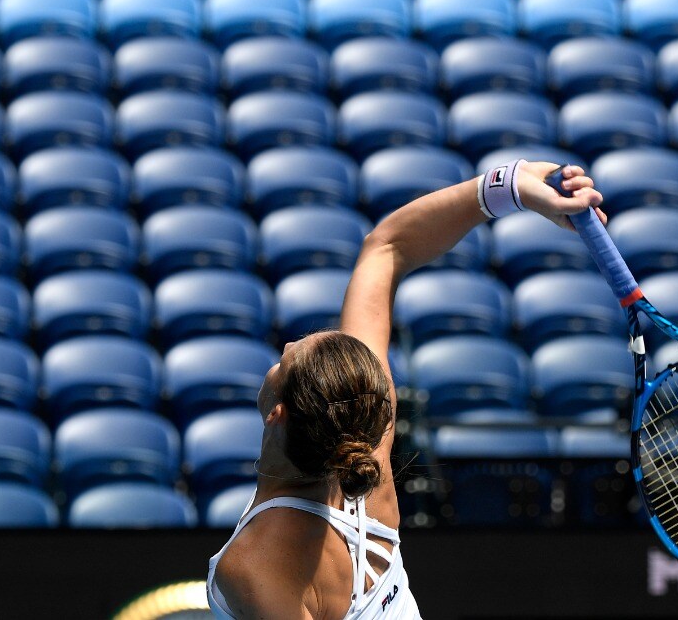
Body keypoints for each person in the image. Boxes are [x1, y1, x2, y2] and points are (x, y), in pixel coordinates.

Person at [207, 160, 606, 619]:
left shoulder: (256, 565)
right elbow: (387, 247)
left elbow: (389, 244)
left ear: (277, 415)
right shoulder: (367, 454)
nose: (284, 345)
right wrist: (510, 185)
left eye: (285, 359)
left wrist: (515, 185)